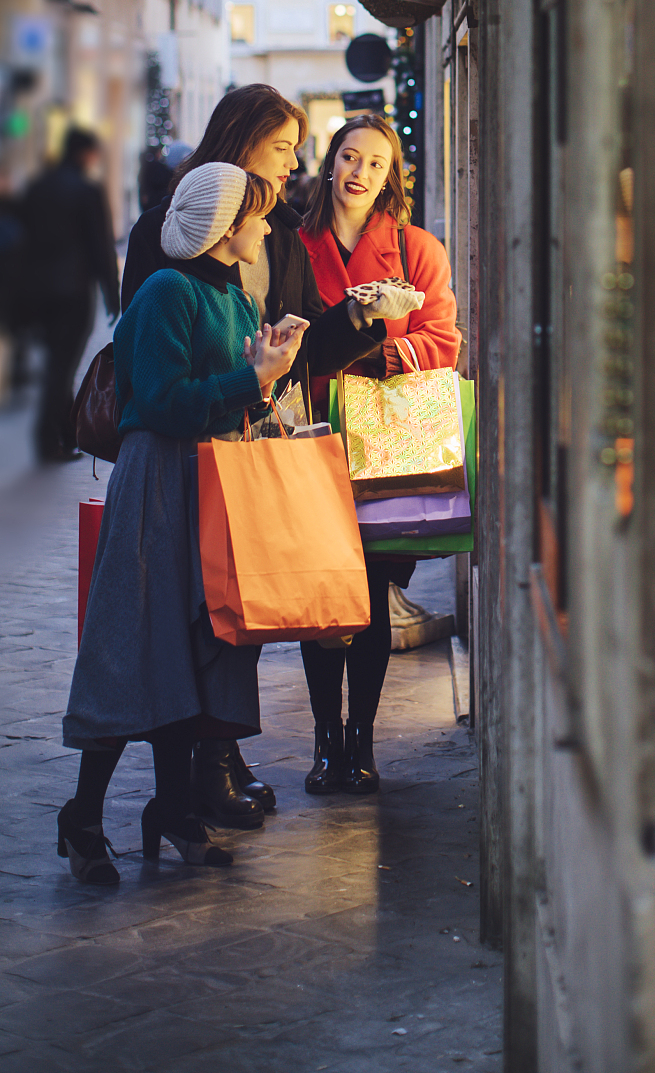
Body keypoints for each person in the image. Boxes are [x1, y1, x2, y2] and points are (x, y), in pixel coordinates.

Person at [120, 84, 406, 827]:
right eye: (281, 148)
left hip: (252, 446)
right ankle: (186, 775)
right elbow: (147, 351)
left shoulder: (278, 230)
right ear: (241, 141)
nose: (291, 164)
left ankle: (219, 761)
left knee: (236, 605)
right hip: (184, 453)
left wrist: (359, 319)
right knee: (186, 613)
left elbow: (301, 345)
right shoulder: (163, 230)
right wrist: (242, 377)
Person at [57, 165, 306, 887]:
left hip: (211, 483)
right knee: (133, 644)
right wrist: (252, 378)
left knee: (197, 646)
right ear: (225, 228)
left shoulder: (234, 295)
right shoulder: (167, 290)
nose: (267, 226)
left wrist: (268, 370)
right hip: (159, 482)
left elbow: (227, 399)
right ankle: (83, 817)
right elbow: (162, 402)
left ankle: (171, 809)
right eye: (258, 215)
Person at [299, 114, 460, 795]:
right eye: (348, 156)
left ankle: (360, 739)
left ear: (391, 175)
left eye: (374, 161)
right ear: (330, 161)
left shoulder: (416, 249)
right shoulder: (292, 243)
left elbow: (444, 340)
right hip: (307, 438)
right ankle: (323, 739)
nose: (358, 171)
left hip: (385, 445)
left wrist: (377, 355)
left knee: (367, 595)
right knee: (316, 593)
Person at [18, 127, 120, 462]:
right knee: (62, 367)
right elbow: (101, 245)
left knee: (56, 363)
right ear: (84, 153)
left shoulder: (38, 187)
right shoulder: (87, 191)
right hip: (73, 291)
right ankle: (50, 440)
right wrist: (111, 293)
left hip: (39, 291)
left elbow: (24, 240)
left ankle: (64, 434)